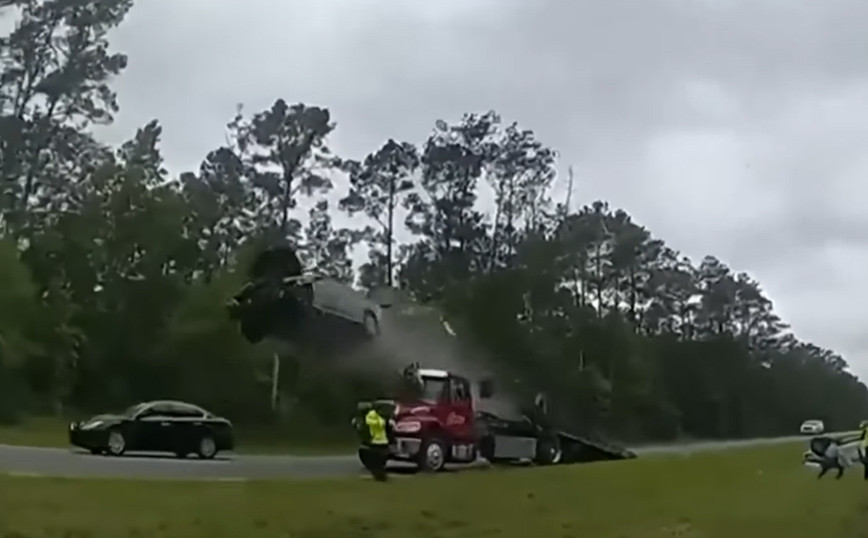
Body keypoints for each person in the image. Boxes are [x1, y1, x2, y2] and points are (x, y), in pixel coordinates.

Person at [356, 402, 390, 482]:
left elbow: (366, 427)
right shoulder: (377, 416)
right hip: (381, 441)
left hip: (376, 441)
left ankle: (380, 476)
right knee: (377, 461)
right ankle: (380, 475)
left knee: (374, 460)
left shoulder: (369, 417)